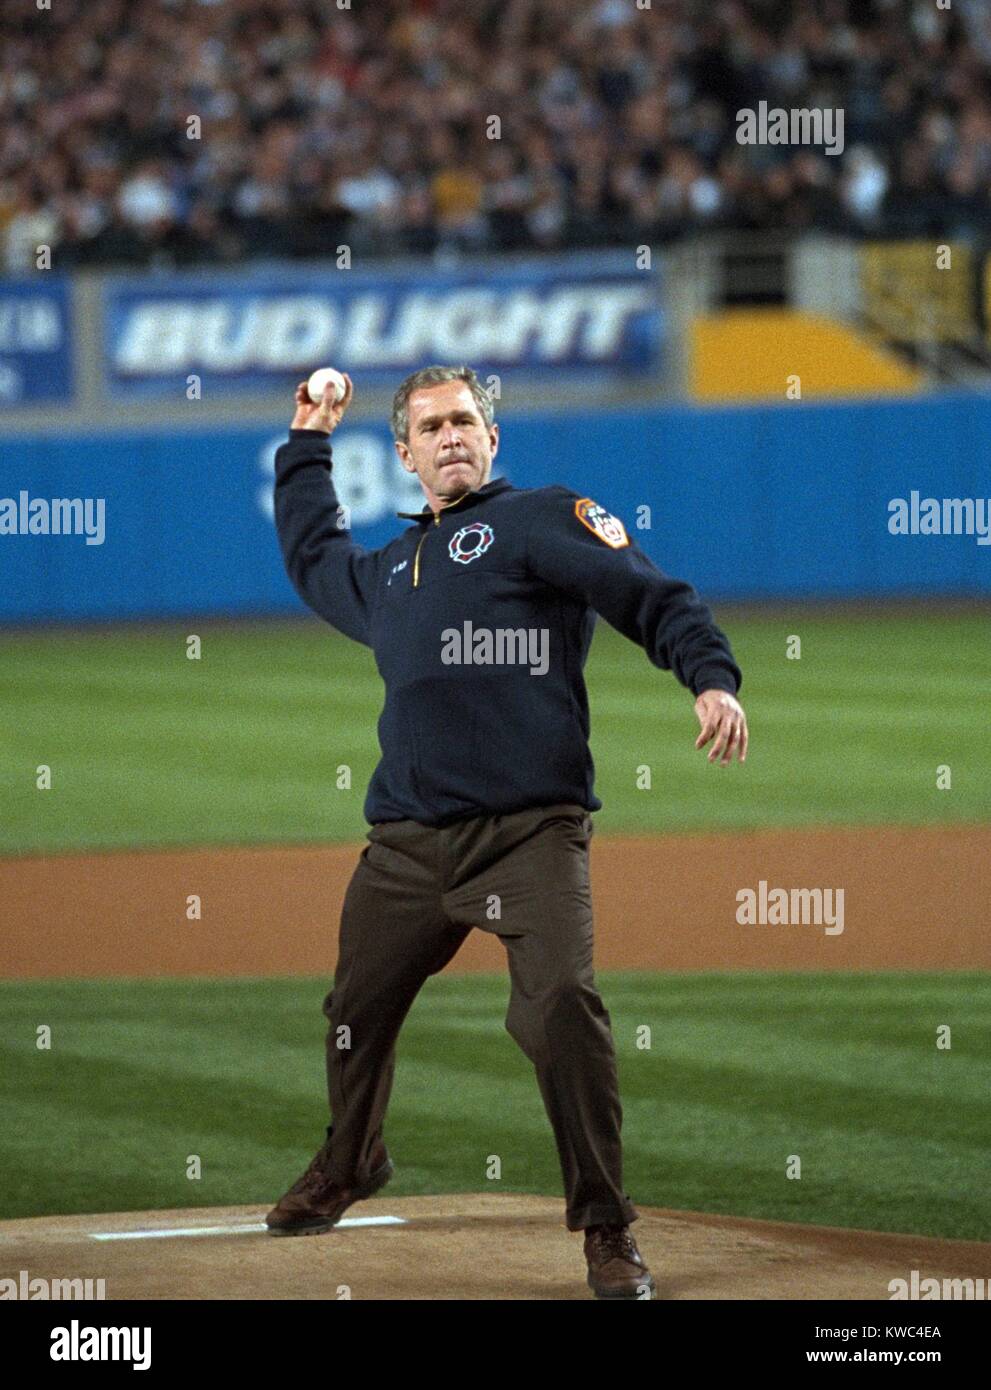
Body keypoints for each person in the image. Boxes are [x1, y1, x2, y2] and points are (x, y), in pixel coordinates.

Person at [265, 364, 748, 1299]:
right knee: (351, 1019)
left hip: (528, 835)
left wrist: (710, 675)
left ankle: (605, 1226)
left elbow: (650, 595)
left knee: (561, 1006)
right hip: (405, 846)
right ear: (401, 454)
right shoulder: (391, 573)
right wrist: (308, 443)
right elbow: (315, 558)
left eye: (464, 421)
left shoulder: (536, 521)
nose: (450, 436)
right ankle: (349, 1161)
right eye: (430, 427)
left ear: (492, 440)